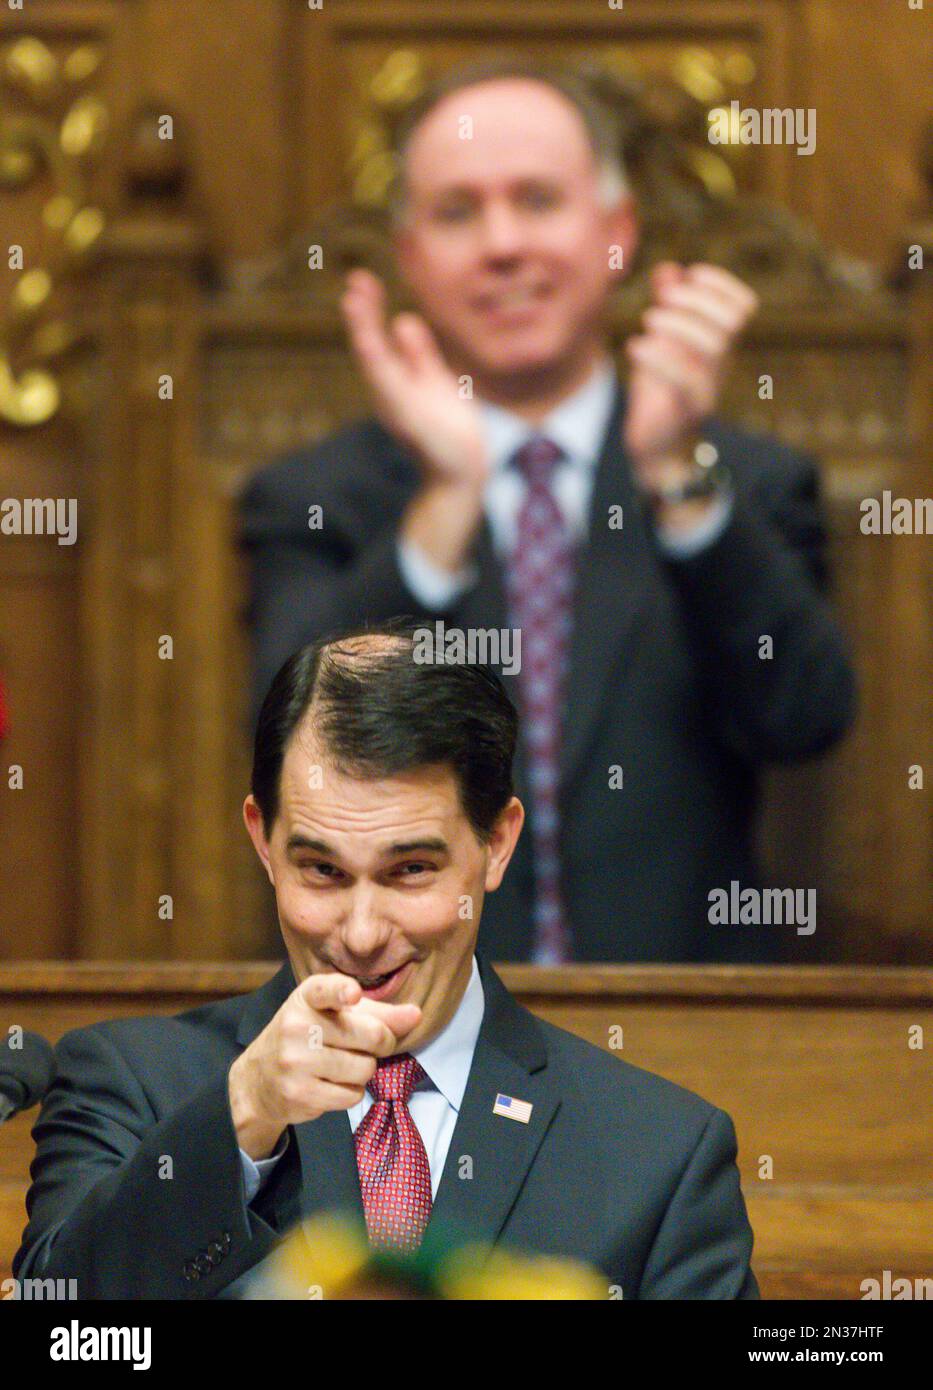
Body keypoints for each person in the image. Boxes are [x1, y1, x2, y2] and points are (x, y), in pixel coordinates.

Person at [239, 58, 856, 964]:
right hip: (391, 1027)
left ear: (616, 233)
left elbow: (802, 718)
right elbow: (303, 750)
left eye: (536, 200)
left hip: (686, 1038)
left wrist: (675, 476)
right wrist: (445, 507)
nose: (502, 244)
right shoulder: (314, 496)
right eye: (457, 212)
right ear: (409, 257)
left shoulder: (743, 481)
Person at [14, 624, 757, 1299]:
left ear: (496, 843)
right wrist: (243, 1118)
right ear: (261, 840)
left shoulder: (658, 1153)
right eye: (322, 872)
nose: (362, 934)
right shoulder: (132, 1083)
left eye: (409, 871)